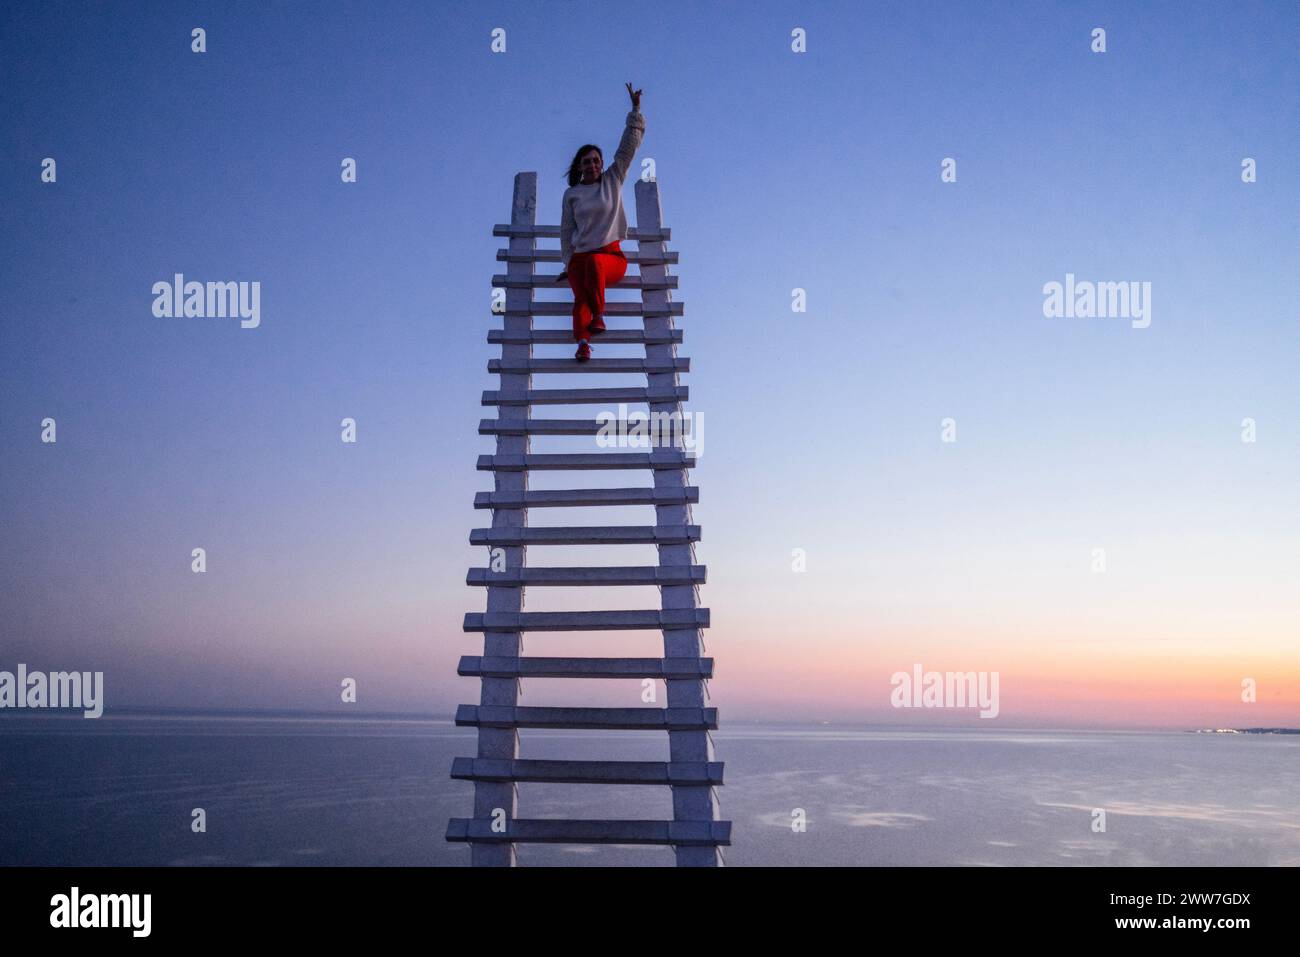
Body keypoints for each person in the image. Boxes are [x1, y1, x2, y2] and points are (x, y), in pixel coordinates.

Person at [556, 82, 645, 361]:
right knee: (580, 297)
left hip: (610, 258)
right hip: (580, 259)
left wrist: (635, 111)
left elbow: (628, 148)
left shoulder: (613, 179)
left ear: (602, 162)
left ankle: (599, 316)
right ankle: (583, 343)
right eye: (586, 162)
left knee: (595, 264)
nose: (592, 165)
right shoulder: (572, 194)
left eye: (596, 160)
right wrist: (568, 262)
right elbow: (566, 231)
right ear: (579, 167)